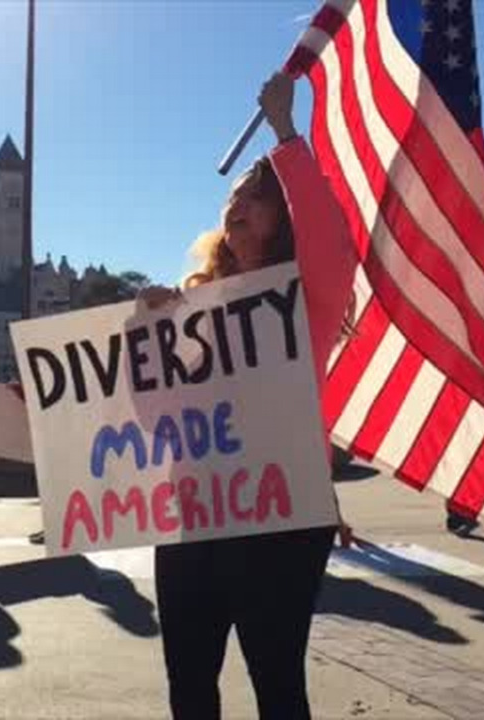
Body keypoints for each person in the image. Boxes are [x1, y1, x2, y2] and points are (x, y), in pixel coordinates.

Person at [136, 72, 358, 719]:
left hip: (280, 519)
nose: (237, 203)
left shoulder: (308, 300)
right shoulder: (194, 308)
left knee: (277, 686)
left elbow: (328, 239)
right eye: (234, 195)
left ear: (283, 214)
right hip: (195, 511)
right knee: (189, 686)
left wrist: (287, 133)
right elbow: (155, 417)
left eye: (255, 196)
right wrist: (142, 331)